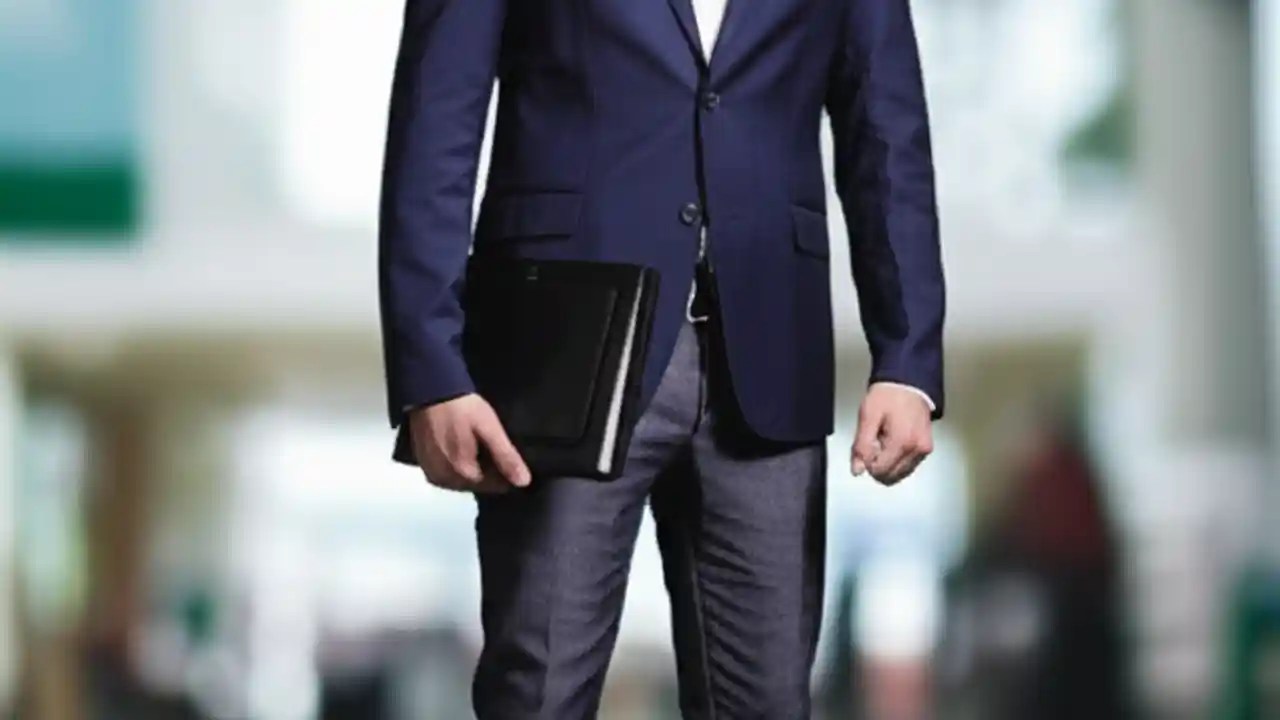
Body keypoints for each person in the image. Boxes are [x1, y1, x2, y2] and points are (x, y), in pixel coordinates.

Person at [377, 0, 945, 715]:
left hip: (771, 344)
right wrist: (432, 370)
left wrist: (907, 361)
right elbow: (434, 121)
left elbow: (886, 128)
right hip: (567, 345)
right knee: (538, 695)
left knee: (769, 703)